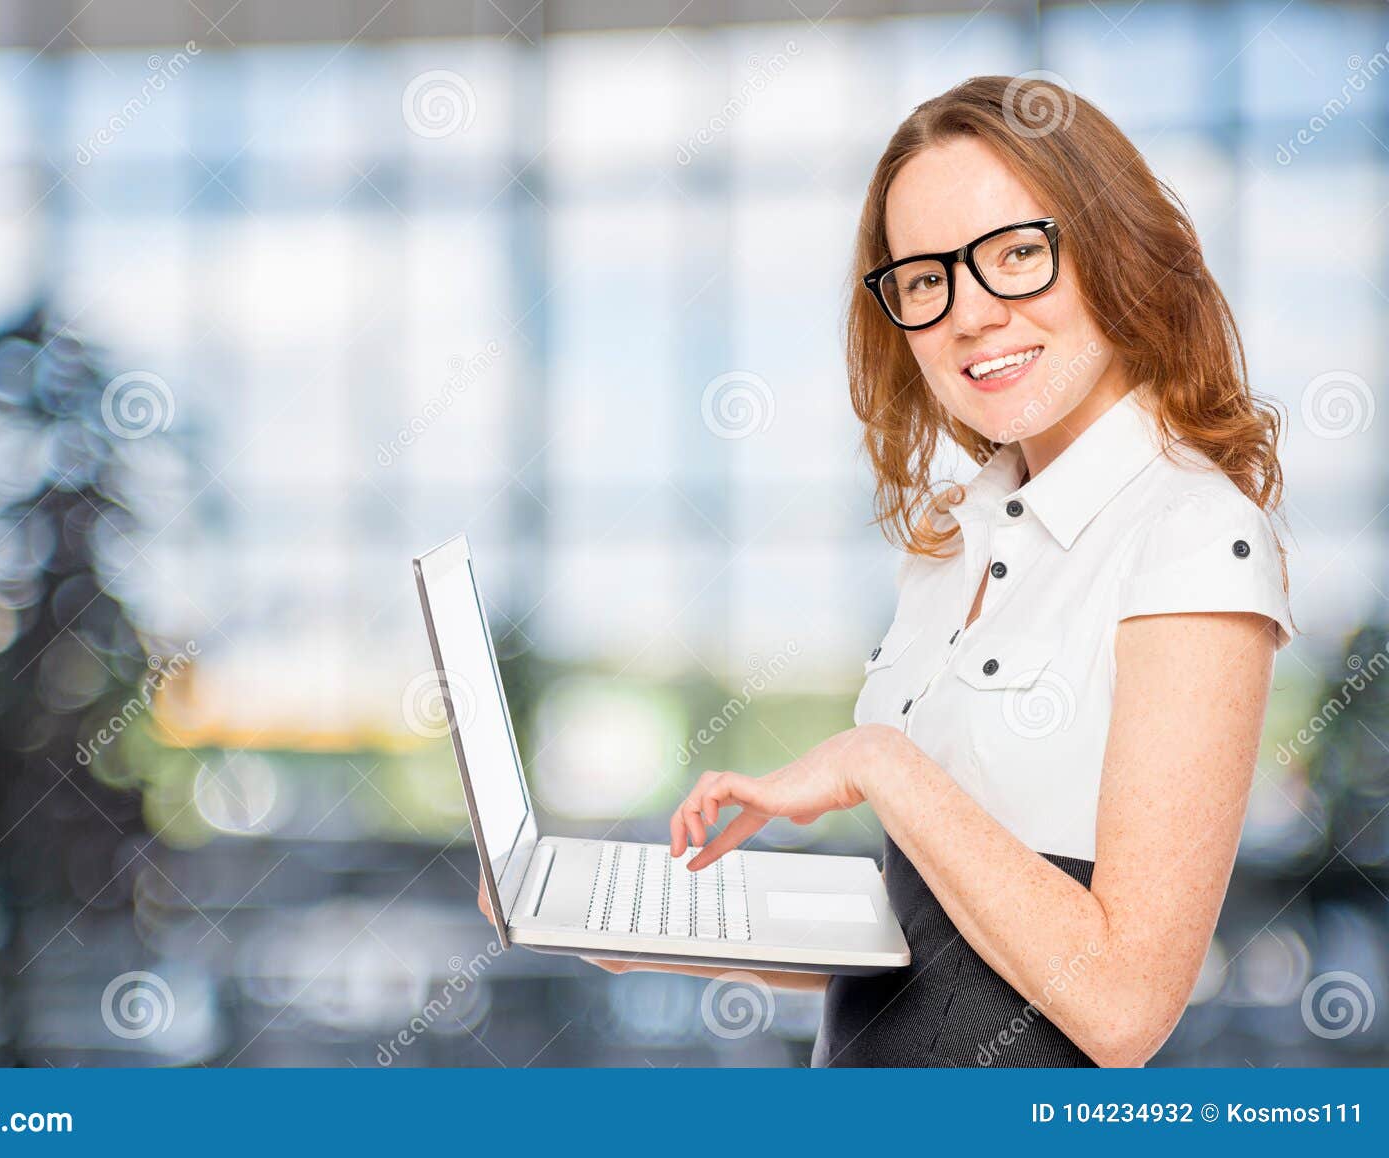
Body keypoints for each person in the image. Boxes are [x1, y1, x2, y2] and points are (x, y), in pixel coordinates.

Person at [481, 74, 1295, 1067]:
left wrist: (879, 761)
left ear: (1114, 250)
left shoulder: (1192, 535)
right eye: (923, 280)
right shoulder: (961, 540)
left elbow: (1123, 1005)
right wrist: (644, 922)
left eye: (1016, 254)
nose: (969, 314)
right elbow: (927, 938)